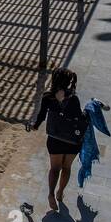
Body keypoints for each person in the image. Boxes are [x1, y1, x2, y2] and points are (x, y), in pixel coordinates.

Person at [27, 68, 88, 211]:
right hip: (72, 142)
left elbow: (41, 116)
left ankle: (50, 194)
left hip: (55, 139)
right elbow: (78, 118)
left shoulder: (48, 97)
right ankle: (60, 192)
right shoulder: (73, 98)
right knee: (66, 168)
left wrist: (34, 127)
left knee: (54, 169)